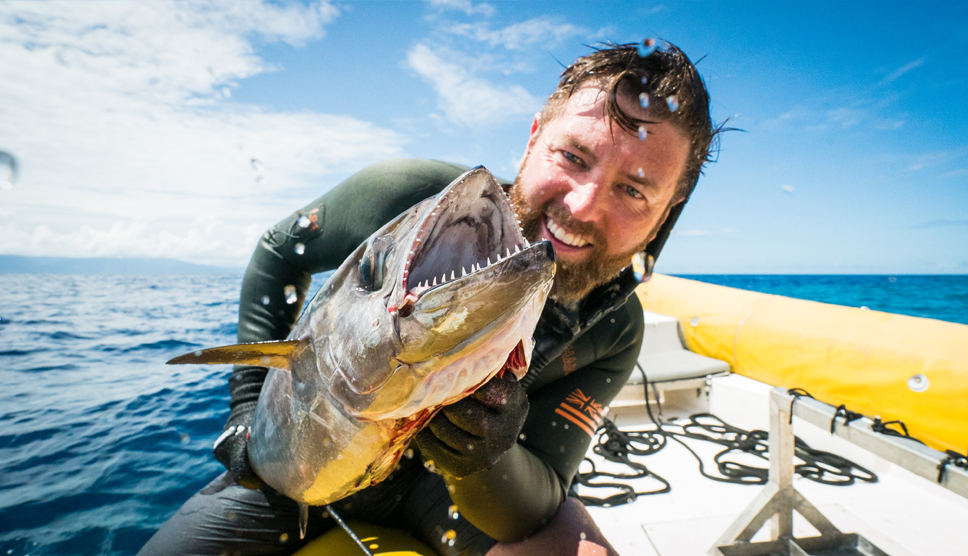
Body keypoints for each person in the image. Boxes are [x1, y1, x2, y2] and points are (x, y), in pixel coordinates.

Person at [139, 41, 719, 556]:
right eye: (573, 156)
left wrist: (483, 455)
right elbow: (277, 252)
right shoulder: (414, 198)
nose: (584, 205)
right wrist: (245, 412)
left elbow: (535, 502)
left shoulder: (614, 331)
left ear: (667, 214)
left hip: (448, 498)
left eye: (634, 189)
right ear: (535, 137)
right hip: (303, 457)